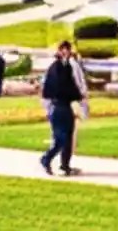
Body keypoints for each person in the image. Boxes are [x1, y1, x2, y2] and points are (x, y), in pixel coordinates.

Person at [40, 40, 89, 176]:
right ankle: (46, 158)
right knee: (60, 138)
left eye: (68, 49)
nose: (66, 52)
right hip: (58, 106)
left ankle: (65, 165)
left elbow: (72, 86)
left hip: (65, 106)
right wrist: (77, 95)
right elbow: (59, 88)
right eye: (63, 49)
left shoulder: (66, 67)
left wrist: (77, 96)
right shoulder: (56, 68)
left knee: (68, 138)